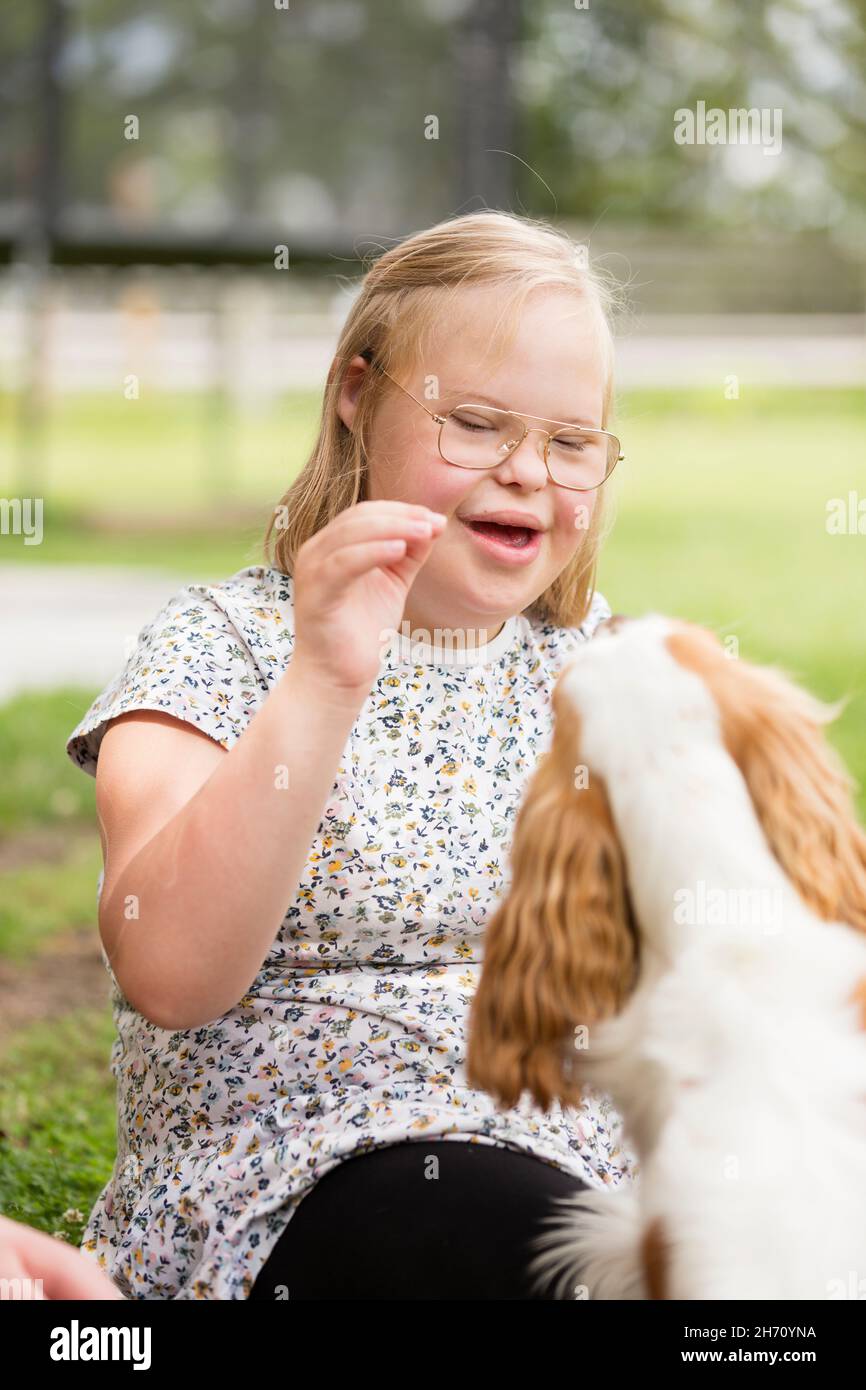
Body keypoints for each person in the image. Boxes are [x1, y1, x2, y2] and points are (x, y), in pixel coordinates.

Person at [64, 209, 638, 1300]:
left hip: (587, 1179)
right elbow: (171, 972)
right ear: (355, 397)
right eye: (473, 423)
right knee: (510, 1237)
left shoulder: (595, 669)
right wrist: (325, 677)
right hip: (310, 1178)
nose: (526, 472)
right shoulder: (224, 647)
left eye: (571, 443)